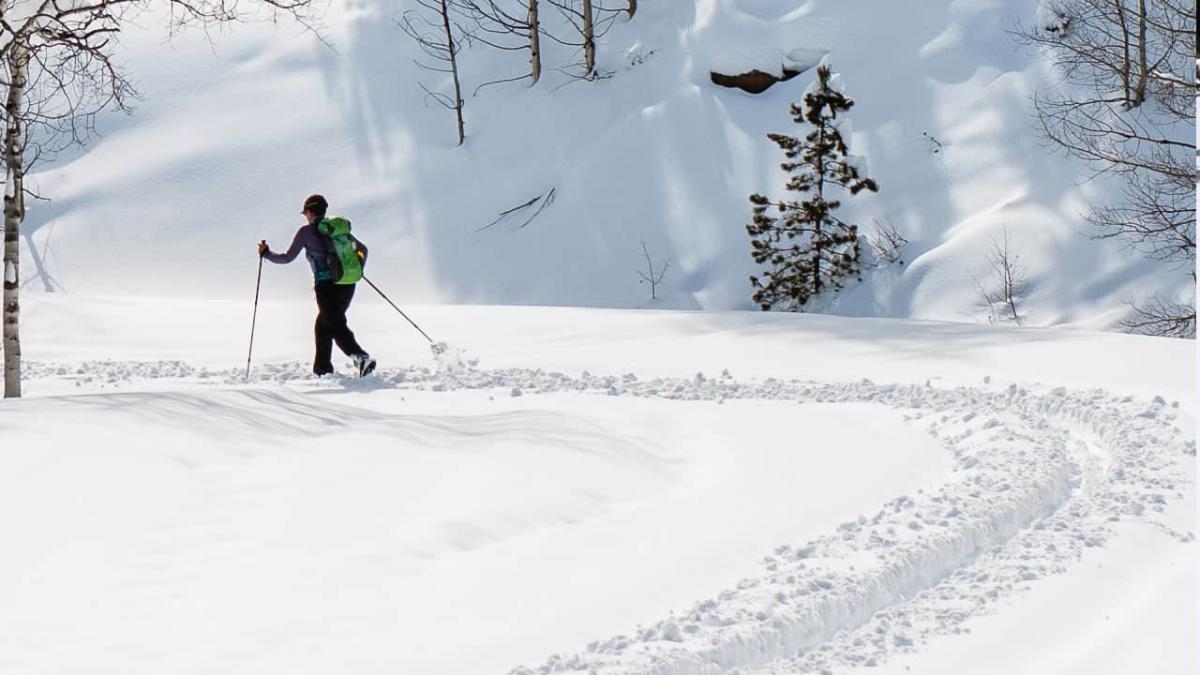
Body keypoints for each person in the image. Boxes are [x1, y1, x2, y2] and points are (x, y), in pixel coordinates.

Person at [258, 194, 377, 377]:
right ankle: (322, 369)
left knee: (335, 324)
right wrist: (355, 267)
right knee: (323, 326)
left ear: (309, 212)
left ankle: (361, 358)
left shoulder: (306, 232)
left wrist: (266, 253)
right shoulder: (336, 230)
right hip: (347, 283)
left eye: (305, 213)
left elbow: (287, 258)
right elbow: (363, 250)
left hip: (326, 286)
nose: (305, 216)